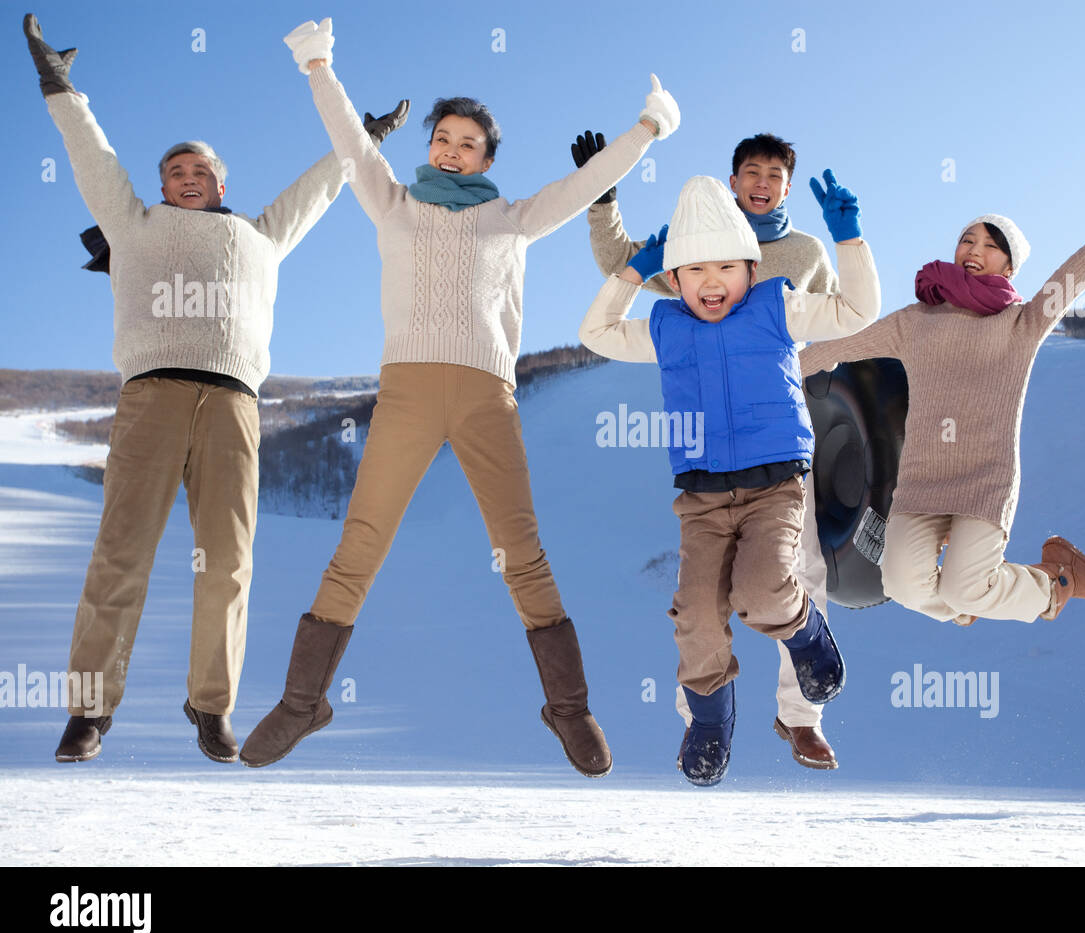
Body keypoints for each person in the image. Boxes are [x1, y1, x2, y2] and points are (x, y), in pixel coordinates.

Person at [240, 19, 680, 778]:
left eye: (467, 141)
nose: (449, 148)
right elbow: (351, 142)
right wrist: (318, 66)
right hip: (407, 394)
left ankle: (568, 708)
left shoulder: (510, 218)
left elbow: (582, 188)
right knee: (359, 545)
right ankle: (304, 701)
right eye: (442, 137)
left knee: (522, 554)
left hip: (485, 399)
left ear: (488, 156)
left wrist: (647, 127)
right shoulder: (394, 204)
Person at [22, 13, 385, 763]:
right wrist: (61, 87)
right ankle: (90, 711)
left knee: (228, 561)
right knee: (121, 552)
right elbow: (91, 157)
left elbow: (320, 188)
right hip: (151, 397)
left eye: (200, 171)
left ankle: (211, 706)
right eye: (176, 173)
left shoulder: (259, 235)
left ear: (224, 183)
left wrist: (364, 141)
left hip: (231, 405)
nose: (188, 179)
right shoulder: (134, 224)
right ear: (161, 188)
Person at [579, 174, 880, 785]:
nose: (710, 282)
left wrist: (849, 241)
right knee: (695, 615)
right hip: (703, 499)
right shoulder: (667, 327)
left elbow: (857, 310)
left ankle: (805, 634)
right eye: (691, 271)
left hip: (775, 488)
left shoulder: (777, 307)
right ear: (674, 280)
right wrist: (632, 273)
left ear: (750, 267)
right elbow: (597, 333)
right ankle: (711, 716)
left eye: (724, 267)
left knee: (766, 589)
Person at [799, 153, 1085, 626]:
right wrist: (773, 370)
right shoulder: (915, 322)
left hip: (984, 479)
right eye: (966, 240)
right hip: (920, 483)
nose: (973, 249)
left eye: (989, 244)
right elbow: (841, 346)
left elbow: (1075, 274)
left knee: (965, 588)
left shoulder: (1021, 323)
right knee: (900, 585)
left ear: (1009, 265)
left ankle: (1058, 581)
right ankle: (969, 603)